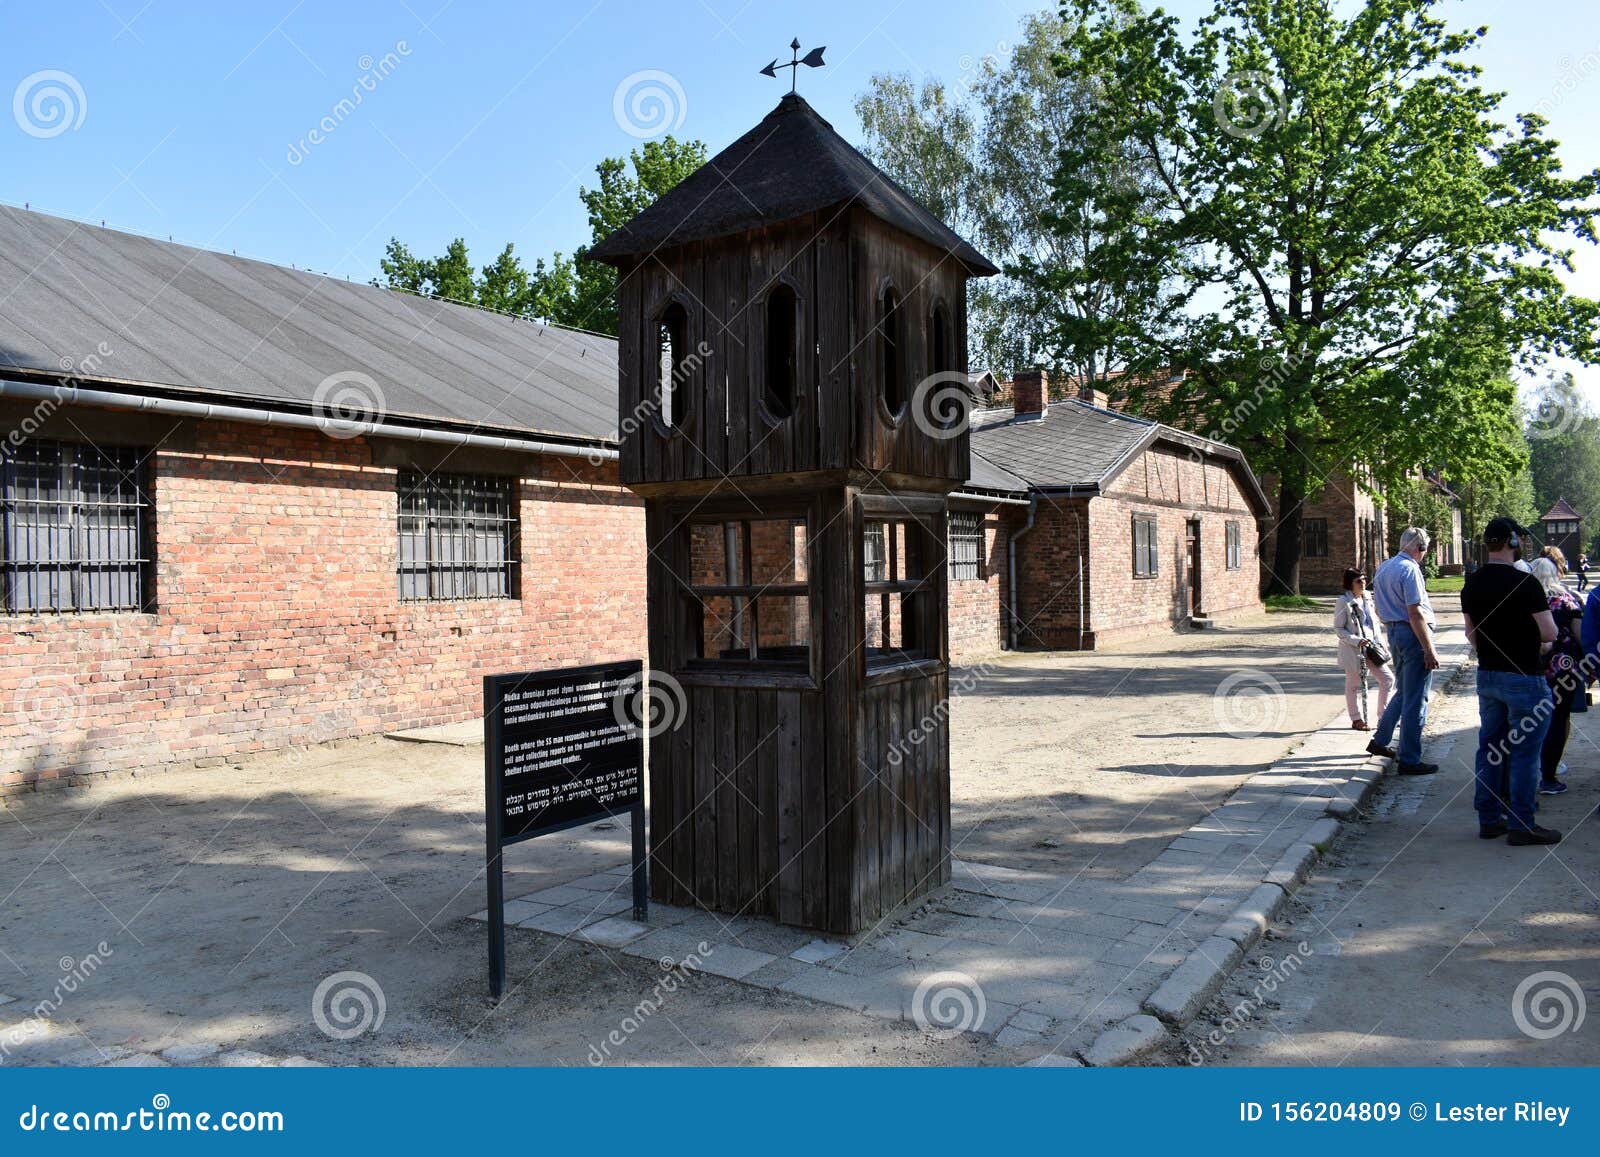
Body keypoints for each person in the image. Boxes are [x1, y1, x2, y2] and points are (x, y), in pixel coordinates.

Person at [1460, 518, 1560, 845]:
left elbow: (1471, 636)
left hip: (1488, 674)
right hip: (1524, 677)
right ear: (1512, 540)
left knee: (1490, 749)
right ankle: (1522, 823)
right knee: (1525, 753)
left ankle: (1489, 818)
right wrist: (1537, 643)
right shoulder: (1526, 583)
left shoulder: (1471, 584)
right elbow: (1550, 632)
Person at [1368, 528, 1442, 774]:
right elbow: (1415, 613)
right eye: (1425, 549)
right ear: (1419, 547)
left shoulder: (1384, 567)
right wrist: (1428, 649)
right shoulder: (1410, 569)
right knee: (1416, 699)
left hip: (1394, 632)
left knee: (1404, 691)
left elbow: (1378, 607)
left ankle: (1380, 740)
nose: (1425, 554)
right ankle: (1410, 759)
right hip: (1412, 635)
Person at [1531, 556, 1584, 796]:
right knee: (1559, 718)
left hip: (1532, 667)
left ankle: (1530, 771)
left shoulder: (1526, 600)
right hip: (1564, 669)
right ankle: (1549, 776)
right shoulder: (1567, 600)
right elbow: (1580, 635)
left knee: (1534, 719)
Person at [1334, 568, 1394, 731]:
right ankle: (1356, 719)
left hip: (1373, 649)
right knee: (1354, 685)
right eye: (1358, 581)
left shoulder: (1367, 597)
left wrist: (1381, 642)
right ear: (1350, 584)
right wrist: (1356, 640)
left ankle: (1383, 716)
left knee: (1388, 679)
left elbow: (1373, 623)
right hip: (1354, 650)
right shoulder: (1343, 601)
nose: (1363, 583)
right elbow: (1339, 629)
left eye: (1364, 579)